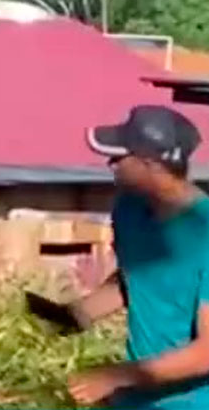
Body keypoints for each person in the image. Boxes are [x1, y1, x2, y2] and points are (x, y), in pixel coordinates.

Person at [65, 105, 209, 409]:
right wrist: (77, 313)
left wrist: (117, 376)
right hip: (135, 400)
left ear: (150, 164)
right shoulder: (129, 210)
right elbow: (138, 278)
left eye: (118, 157)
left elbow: (206, 354)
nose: (110, 163)